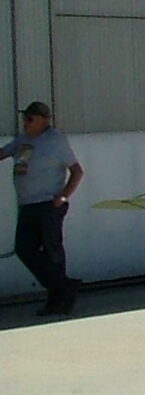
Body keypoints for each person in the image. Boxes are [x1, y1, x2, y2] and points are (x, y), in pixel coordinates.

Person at [4, 101, 84, 317]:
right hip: (28, 205)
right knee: (24, 249)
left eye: (30, 119)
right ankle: (64, 286)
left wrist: (63, 196)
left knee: (52, 252)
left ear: (43, 120)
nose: (26, 123)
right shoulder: (23, 140)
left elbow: (77, 171)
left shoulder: (55, 141)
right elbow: (3, 153)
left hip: (48, 204)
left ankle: (58, 299)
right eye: (25, 119)